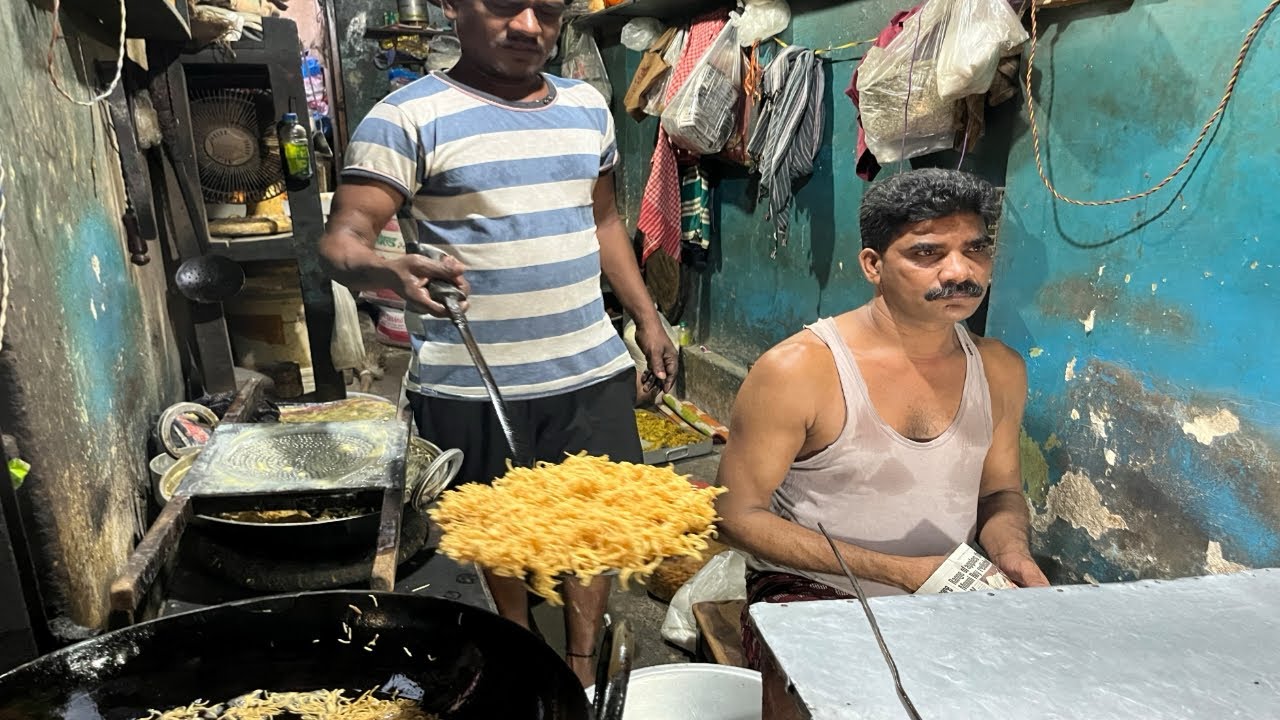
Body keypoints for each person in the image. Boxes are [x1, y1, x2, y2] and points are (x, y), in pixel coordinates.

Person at [318, 0, 678, 686]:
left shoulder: (586, 107)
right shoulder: (406, 117)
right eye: (503, 5)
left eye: (546, 10)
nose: (527, 26)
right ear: (454, 8)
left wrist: (646, 317)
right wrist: (389, 267)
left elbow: (603, 219)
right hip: (472, 382)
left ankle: (580, 669)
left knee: (594, 530)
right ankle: (522, 667)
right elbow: (342, 240)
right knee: (501, 537)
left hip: (589, 369)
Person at [714, 168, 1049, 671]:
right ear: (873, 265)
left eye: (975, 250)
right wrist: (899, 572)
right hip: (808, 591)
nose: (960, 272)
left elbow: (998, 494)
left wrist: (1012, 553)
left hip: (940, 589)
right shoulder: (801, 369)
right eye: (927, 253)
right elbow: (734, 516)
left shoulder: (1000, 369)